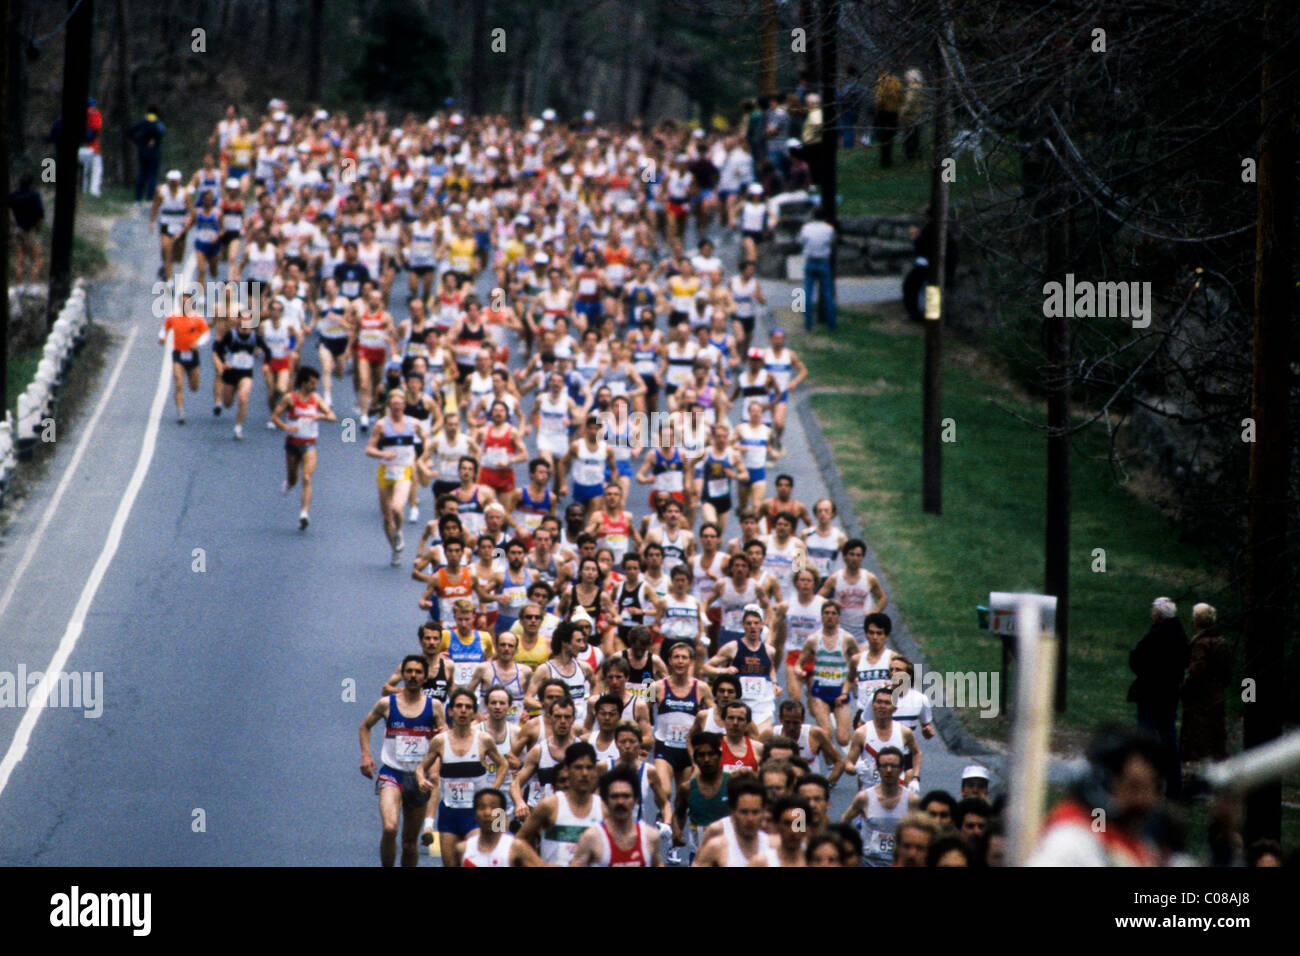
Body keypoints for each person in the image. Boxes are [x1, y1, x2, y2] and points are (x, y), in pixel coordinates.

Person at [1029, 725, 1164, 866]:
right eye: (1134, 787)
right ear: (1103, 784)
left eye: (1154, 788)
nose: (1146, 799)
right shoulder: (1071, 838)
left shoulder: (1140, 841)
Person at [358, 655, 439, 867]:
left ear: (425, 677)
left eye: (418, 672)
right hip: (391, 773)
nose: (413, 676)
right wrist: (366, 755)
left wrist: (441, 734)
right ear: (402, 675)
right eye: (409, 671)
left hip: (418, 778)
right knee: (390, 828)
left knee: (410, 843)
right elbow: (365, 726)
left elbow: (445, 737)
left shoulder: (434, 706)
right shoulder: (386, 704)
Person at [417, 688, 508, 867]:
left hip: (476, 814)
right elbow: (421, 767)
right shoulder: (440, 741)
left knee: (473, 862)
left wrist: (492, 792)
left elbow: (503, 765)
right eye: (459, 706)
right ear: (450, 711)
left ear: (474, 713)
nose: (463, 710)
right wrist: (421, 779)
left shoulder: (483, 739)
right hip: (449, 813)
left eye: (468, 707)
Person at [1127, 596, 1188, 798]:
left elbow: (1137, 659)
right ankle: (1174, 786)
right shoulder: (1180, 635)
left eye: (1154, 612)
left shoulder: (1156, 636)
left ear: (1159, 615)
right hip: (1170, 695)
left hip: (1150, 693)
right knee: (1169, 740)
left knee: (1144, 740)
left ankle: (1142, 784)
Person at [516, 741, 605, 866]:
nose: (584, 773)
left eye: (589, 767)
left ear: (595, 771)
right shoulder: (549, 806)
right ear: (567, 770)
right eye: (578, 767)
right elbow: (518, 842)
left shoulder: (603, 809)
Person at [270, 365, 337, 529]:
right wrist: (287, 428)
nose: (315, 386)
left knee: (307, 478)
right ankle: (288, 484)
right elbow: (275, 417)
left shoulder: (317, 399)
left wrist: (322, 416)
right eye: (312, 383)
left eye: (315, 383)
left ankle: (304, 513)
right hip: (293, 444)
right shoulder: (290, 398)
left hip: (309, 444)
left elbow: (332, 417)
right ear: (304, 382)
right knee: (294, 479)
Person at [570, 766, 666, 866]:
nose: (620, 802)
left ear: (635, 800)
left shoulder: (650, 837)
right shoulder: (591, 838)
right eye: (615, 796)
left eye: (626, 796)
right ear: (605, 801)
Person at [366, 389, 419, 565]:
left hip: (403, 470)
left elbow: (425, 442)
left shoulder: (413, 423)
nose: (397, 407)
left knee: (396, 508)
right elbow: (369, 449)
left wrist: (423, 462)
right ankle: (395, 549)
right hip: (385, 471)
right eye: (393, 404)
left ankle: (399, 533)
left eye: (399, 404)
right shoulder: (381, 425)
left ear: (404, 405)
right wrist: (382, 453)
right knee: (386, 517)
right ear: (388, 405)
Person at [841, 745, 918, 867]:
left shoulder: (912, 800)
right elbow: (844, 822)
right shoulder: (864, 798)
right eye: (884, 766)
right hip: (868, 862)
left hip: (898, 862)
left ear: (901, 769)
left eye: (893, 766)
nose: (888, 770)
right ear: (877, 768)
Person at [1180, 602, 1230, 768]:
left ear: (1197, 621)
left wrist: (1186, 686)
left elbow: (1197, 670)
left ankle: (1200, 775)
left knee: (1199, 737)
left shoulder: (1201, 643)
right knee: (1217, 734)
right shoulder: (1222, 642)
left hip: (1201, 697)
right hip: (1217, 693)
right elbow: (1227, 671)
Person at [692, 776, 779, 867]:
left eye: (755, 812)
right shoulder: (716, 848)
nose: (750, 818)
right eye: (744, 812)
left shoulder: (775, 846)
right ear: (733, 812)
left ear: (763, 812)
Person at [158, 291, 211, 424]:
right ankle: (181, 412)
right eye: (182, 301)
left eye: (187, 301)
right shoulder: (173, 317)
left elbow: (206, 334)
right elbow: (164, 329)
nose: (184, 303)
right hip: (179, 353)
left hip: (192, 354)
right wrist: (162, 337)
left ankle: (190, 383)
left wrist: (198, 344)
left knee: (194, 387)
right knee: (179, 382)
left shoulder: (198, 318)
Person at [457, 789, 545, 867]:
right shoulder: (462, 849)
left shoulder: (516, 847)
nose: (487, 813)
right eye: (482, 807)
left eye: (493, 807)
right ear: (475, 813)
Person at [797, 210, 837, 332]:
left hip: (810, 261)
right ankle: (832, 323)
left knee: (808, 293)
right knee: (827, 294)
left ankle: (808, 323)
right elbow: (832, 242)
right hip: (823, 261)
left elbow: (800, 241)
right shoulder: (829, 229)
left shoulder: (806, 228)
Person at [8, 174, 45, 285]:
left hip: (17, 229)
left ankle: (19, 283)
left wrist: (13, 224)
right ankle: (33, 283)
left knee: (19, 258)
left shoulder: (13, 195)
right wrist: (38, 229)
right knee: (37, 259)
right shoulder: (34, 195)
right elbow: (40, 215)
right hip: (31, 230)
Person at [129, 106, 166, 203]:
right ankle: (150, 198)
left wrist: (138, 142)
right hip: (154, 152)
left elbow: (130, 131)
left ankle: (138, 198)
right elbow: (162, 133)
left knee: (142, 174)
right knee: (152, 176)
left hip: (143, 151)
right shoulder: (157, 123)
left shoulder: (143, 121)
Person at [872, 69, 903, 168]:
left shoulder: (882, 82)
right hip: (894, 112)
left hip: (884, 112)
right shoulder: (897, 82)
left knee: (883, 138)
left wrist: (876, 109)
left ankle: (885, 161)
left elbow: (879, 99)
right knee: (890, 137)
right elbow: (901, 97)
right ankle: (889, 159)